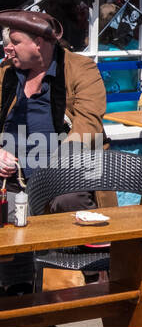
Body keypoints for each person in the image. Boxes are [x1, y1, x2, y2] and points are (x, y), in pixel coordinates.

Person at [0, 11, 106, 197]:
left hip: (64, 171)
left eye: (15, 42)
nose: (7, 48)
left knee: (70, 199)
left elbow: (88, 124)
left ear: (38, 44)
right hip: (9, 176)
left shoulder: (80, 68)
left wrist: (59, 164)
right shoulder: (6, 71)